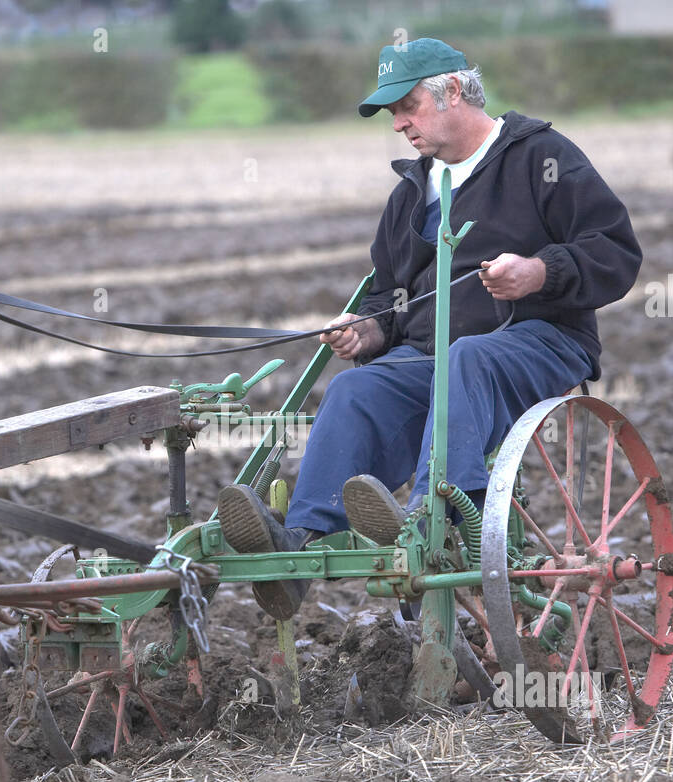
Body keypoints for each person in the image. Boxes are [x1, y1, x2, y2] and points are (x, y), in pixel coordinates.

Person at [218, 38, 642, 620]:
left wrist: (539, 272)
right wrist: (367, 332)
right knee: (353, 390)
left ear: (454, 93)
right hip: (432, 356)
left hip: (540, 341)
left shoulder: (542, 157)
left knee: (467, 356)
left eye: (407, 106)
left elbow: (615, 251)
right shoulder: (413, 191)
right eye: (392, 114)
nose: (398, 125)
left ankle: (434, 520)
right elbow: (388, 295)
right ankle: (302, 545)